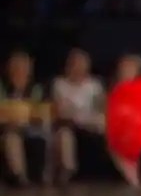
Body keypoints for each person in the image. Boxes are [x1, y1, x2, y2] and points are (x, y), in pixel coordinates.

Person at [51, 49, 107, 183]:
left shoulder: (94, 85)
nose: (79, 68)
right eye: (75, 64)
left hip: (91, 123)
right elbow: (61, 110)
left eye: (82, 64)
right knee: (64, 134)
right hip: (69, 124)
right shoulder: (59, 84)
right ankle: (67, 172)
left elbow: (101, 107)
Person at [1, 51, 52, 187]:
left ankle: (45, 176)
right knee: (11, 137)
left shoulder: (37, 88)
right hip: (7, 127)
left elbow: (42, 112)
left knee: (47, 134)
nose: (20, 70)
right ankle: (20, 177)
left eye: (24, 67)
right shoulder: (3, 88)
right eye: (16, 66)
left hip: (32, 127)